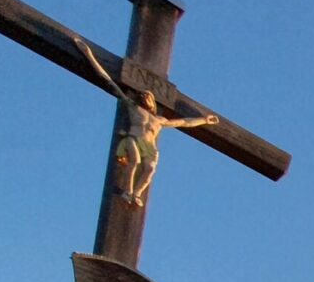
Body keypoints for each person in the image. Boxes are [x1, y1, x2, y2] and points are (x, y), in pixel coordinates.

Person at [71, 35, 220, 207]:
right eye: (144, 96)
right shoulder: (134, 108)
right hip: (134, 139)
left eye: (148, 96)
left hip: (149, 146)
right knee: (135, 162)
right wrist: (88, 54)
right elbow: (109, 81)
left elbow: (184, 122)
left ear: (153, 101)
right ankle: (127, 191)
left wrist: (204, 120)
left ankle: (136, 194)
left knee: (149, 169)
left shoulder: (159, 120)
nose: (146, 97)